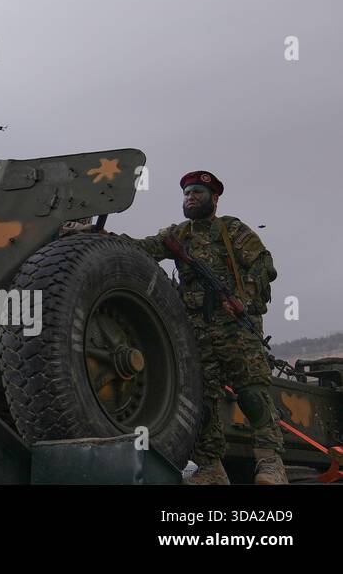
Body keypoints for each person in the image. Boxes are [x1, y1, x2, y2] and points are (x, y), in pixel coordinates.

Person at [77, 170, 286, 485]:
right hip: (197, 332)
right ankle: (210, 467)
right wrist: (96, 234)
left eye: (198, 193)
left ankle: (270, 464)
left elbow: (264, 266)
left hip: (234, 328)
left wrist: (245, 298)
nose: (191, 198)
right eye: (187, 193)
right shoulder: (179, 235)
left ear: (214, 199)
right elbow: (141, 248)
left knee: (252, 393)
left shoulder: (232, 231)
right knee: (201, 402)